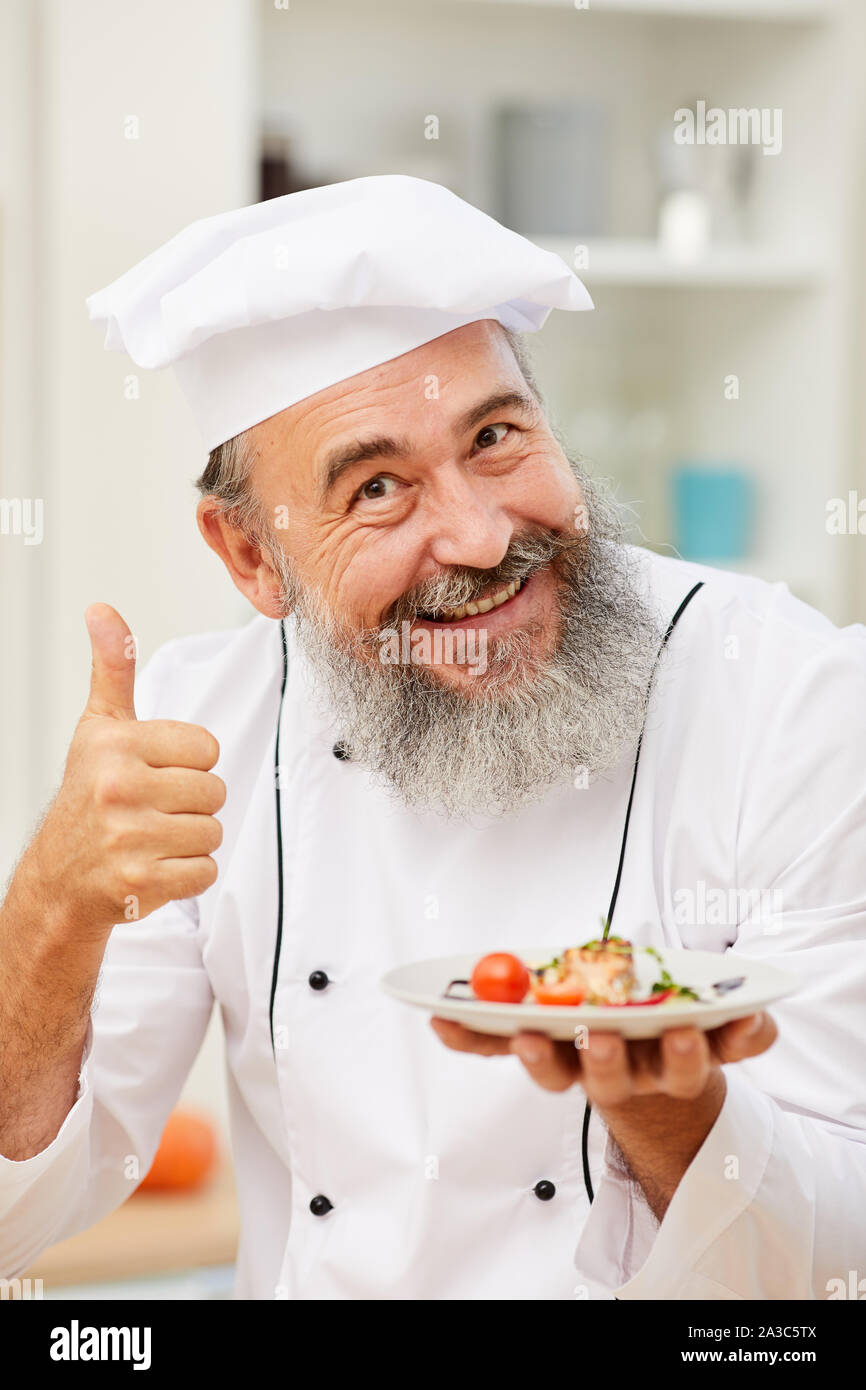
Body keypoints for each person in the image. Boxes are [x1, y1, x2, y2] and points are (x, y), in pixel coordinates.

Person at [1, 177, 864, 1300]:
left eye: (495, 436)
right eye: (376, 488)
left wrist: (674, 1113)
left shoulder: (788, 694)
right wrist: (49, 912)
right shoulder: (200, 727)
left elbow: (840, 1255)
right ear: (251, 559)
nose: (479, 533)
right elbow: (20, 1210)